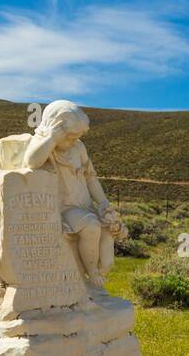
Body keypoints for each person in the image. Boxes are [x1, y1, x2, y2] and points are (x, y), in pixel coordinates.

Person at [22, 100, 125, 288]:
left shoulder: (78, 147)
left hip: (85, 205)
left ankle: (97, 274)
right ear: (55, 127)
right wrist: (52, 139)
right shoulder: (45, 143)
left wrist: (103, 204)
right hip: (65, 208)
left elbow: (91, 178)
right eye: (69, 137)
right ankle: (90, 273)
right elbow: (31, 162)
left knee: (109, 246)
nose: (73, 141)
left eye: (77, 137)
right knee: (91, 226)